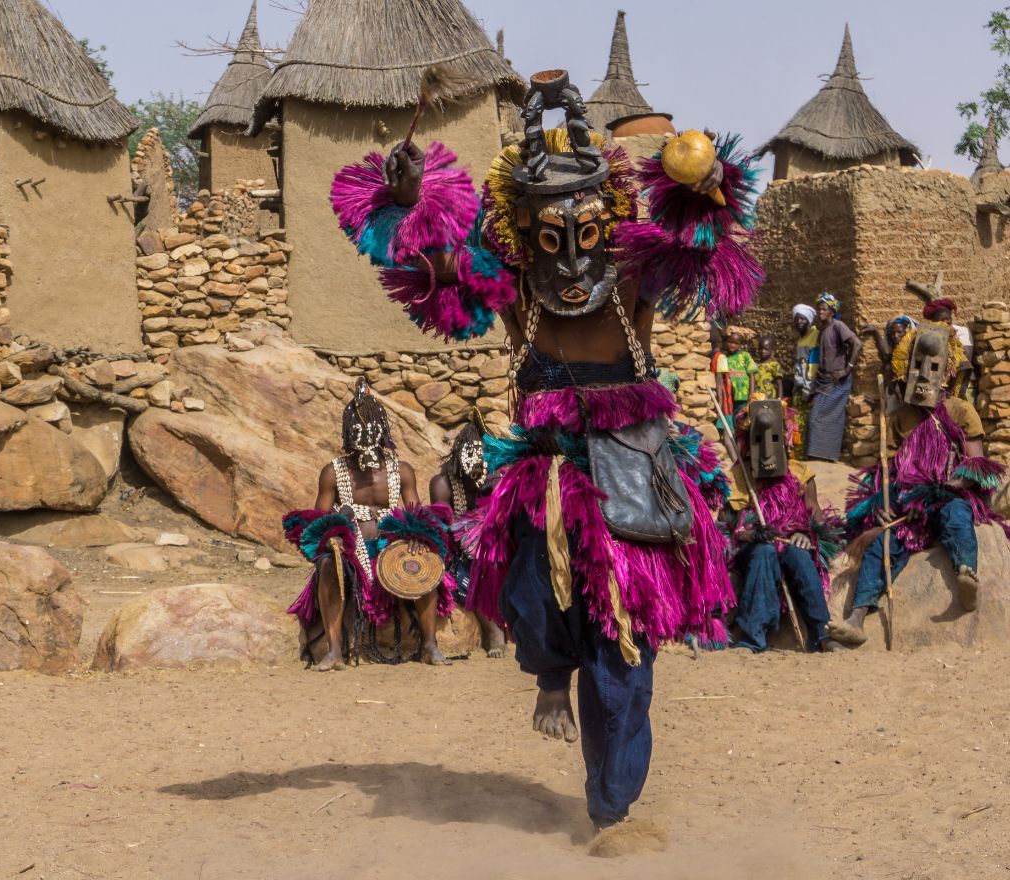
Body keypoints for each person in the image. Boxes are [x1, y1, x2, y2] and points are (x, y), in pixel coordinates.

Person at [330, 70, 759, 835]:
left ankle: (611, 807)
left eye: (585, 234)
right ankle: (550, 676)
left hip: (635, 470)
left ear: (607, 222)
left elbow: (698, 243)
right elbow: (433, 264)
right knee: (535, 591)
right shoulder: (517, 288)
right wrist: (409, 199)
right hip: (549, 471)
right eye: (550, 238)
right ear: (526, 233)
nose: (570, 257)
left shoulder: (634, 278)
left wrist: (702, 189)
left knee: (623, 650)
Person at [827, 324, 1008, 646]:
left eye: (933, 367)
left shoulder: (960, 410)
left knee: (957, 517)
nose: (924, 374)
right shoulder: (900, 417)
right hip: (908, 505)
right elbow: (889, 472)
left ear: (947, 373)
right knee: (883, 543)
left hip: (949, 494)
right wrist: (885, 503)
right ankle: (857, 618)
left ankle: (966, 573)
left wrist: (949, 485)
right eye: (917, 366)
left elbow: (977, 465)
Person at [284, 379, 456, 670]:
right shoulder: (333, 472)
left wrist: (418, 536)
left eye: (370, 430)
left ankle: (429, 646)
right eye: (357, 431)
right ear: (348, 434)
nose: (364, 437)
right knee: (327, 563)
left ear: (382, 432)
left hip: (392, 550)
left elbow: (416, 511)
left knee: (424, 556)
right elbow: (318, 522)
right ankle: (334, 651)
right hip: (351, 554)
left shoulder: (401, 470)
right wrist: (333, 539)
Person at [720, 402, 841, 652]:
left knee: (799, 556)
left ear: (785, 438)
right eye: (758, 441)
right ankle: (753, 637)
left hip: (790, 542)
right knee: (764, 553)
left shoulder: (800, 474)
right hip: (752, 549)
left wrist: (805, 533)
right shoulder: (738, 477)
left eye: (774, 439)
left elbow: (816, 516)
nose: (766, 451)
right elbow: (725, 529)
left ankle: (822, 633)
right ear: (747, 442)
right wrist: (750, 534)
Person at [429, 414, 506, 657]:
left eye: (481, 455)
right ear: (458, 455)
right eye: (469, 454)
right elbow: (443, 526)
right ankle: (493, 631)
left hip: (495, 546)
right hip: (459, 553)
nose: (475, 461)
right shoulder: (442, 483)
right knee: (476, 572)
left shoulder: (496, 477)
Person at [805, 293, 861, 462]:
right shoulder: (823, 331)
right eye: (819, 309)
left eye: (824, 309)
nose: (820, 312)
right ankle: (821, 454)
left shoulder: (838, 326)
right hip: (824, 380)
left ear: (832, 311)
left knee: (825, 417)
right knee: (819, 416)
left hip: (837, 381)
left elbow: (857, 343)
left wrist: (847, 369)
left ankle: (827, 454)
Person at [789, 304, 820, 457]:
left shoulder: (814, 336)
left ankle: (802, 454)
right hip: (800, 385)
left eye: (803, 319)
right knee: (796, 420)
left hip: (808, 387)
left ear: (809, 320)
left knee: (802, 421)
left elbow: (813, 365)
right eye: (797, 319)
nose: (799, 322)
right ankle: (798, 453)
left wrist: (808, 388)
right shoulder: (802, 338)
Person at [712, 327, 755, 429]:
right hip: (729, 397)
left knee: (742, 420)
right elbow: (719, 379)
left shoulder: (745, 356)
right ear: (726, 341)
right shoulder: (723, 357)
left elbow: (751, 376)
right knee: (731, 422)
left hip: (743, 396)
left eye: (736, 343)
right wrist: (720, 400)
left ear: (740, 344)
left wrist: (751, 394)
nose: (733, 345)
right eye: (730, 342)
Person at [750, 334, 783, 401]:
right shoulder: (755, 364)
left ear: (772, 350)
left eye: (766, 349)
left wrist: (780, 399)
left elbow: (779, 384)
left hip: (769, 397)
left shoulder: (774, 365)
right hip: (756, 397)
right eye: (761, 349)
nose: (763, 351)